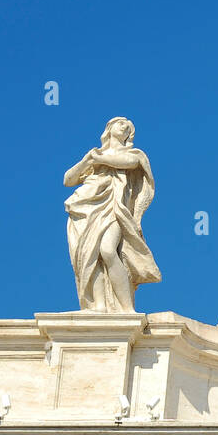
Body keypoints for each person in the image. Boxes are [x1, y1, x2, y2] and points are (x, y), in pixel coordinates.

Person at [63, 117, 161, 313]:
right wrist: (86, 161)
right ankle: (99, 305)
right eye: (120, 123)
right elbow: (68, 179)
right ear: (109, 129)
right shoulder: (94, 155)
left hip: (114, 207)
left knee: (108, 250)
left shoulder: (133, 154)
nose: (124, 126)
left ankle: (127, 308)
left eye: (128, 127)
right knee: (90, 256)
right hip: (85, 206)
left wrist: (97, 159)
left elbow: (129, 162)